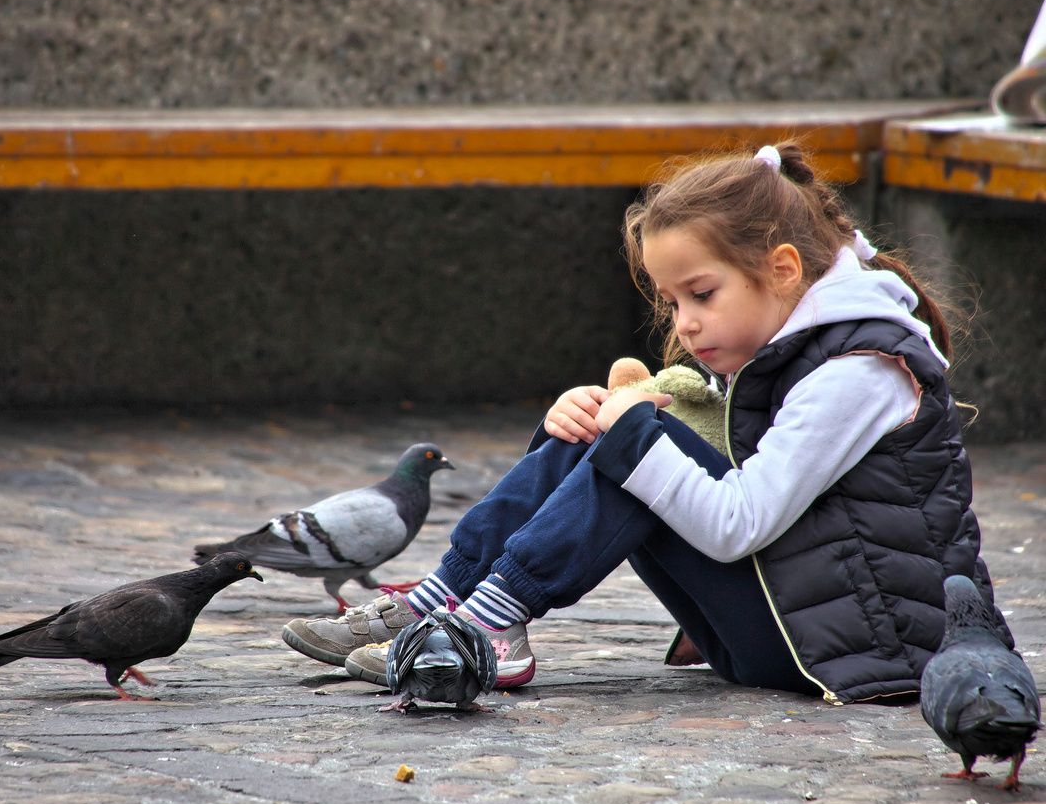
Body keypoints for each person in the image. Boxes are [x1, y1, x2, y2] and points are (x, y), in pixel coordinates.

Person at [282, 142, 1011, 705]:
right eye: (671, 303)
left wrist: (632, 435)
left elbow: (739, 522)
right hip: (800, 629)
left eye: (701, 294)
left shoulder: (859, 369)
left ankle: (483, 627)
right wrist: (585, 425)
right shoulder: (787, 344)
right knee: (612, 437)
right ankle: (445, 601)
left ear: (784, 269)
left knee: (636, 446)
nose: (685, 324)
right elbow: (711, 463)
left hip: (867, 651)